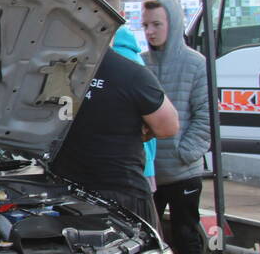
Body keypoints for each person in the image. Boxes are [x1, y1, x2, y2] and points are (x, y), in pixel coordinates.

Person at [50, 43, 179, 230]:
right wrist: (143, 130)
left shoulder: (57, 73)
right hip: (122, 195)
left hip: (69, 192)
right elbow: (168, 126)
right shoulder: (132, 73)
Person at [142, 0, 212, 254]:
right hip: (150, 174)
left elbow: (206, 117)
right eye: (145, 25)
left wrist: (185, 152)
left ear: (173, 23)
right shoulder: (140, 64)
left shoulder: (196, 64)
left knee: (186, 240)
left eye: (157, 24)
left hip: (183, 172)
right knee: (149, 245)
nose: (150, 31)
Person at [88, 0, 157, 193]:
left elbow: (165, 124)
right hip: (126, 168)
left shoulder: (125, 62)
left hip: (129, 171)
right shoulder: (129, 59)